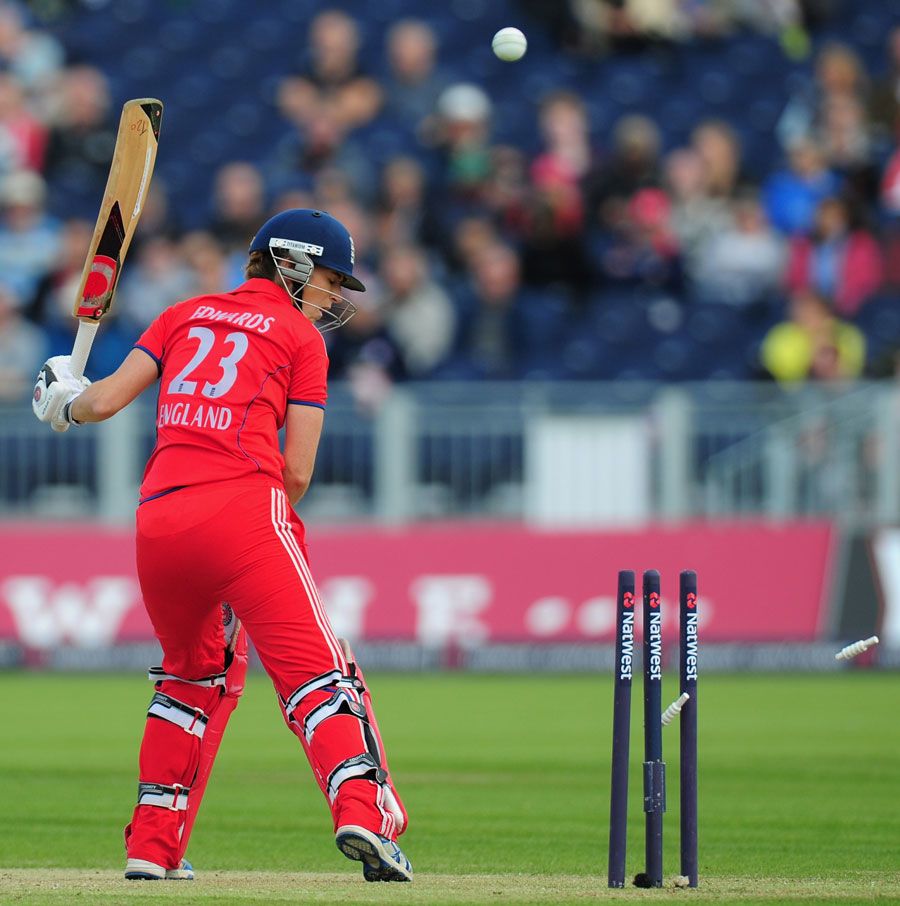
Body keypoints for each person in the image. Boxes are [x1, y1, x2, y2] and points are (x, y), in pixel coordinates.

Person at [30, 209, 413, 883]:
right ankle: (364, 813)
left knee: (189, 680)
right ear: (293, 265)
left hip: (158, 522)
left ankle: (153, 848)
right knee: (320, 673)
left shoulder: (182, 313)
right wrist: (250, 544)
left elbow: (102, 402)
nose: (332, 298)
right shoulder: (301, 338)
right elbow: (297, 472)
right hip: (244, 511)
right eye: (330, 280)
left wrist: (63, 400)